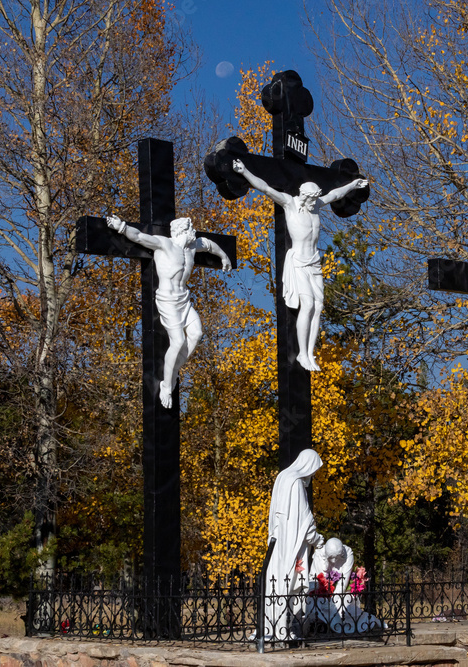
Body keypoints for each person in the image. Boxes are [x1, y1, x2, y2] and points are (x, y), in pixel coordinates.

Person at [232, 158, 367, 371]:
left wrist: (352, 185)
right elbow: (265, 187)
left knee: (319, 306)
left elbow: (335, 195)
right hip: (298, 262)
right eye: (311, 199)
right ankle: (303, 354)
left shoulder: (317, 206)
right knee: (309, 305)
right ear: (303, 196)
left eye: (315, 199)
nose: (314, 203)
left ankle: (310, 354)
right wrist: (245, 171)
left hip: (314, 262)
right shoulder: (290, 204)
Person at [106, 215, 232, 408]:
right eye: (190, 228)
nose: (194, 232)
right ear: (181, 231)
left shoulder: (191, 247)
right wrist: (121, 227)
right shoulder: (165, 244)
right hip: (168, 300)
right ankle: (166, 385)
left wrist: (223, 256)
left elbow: (209, 245)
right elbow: (139, 237)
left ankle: (172, 373)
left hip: (184, 299)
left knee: (197, 334)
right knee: (178, 341)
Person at [263, 449, 325, 639]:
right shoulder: (297, 484)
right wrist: (319, 541)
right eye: (314, 470)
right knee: (288, 585)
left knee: (276, 584)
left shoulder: (283, 477)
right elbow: (306, 523)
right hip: (291, 545)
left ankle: (271, 629)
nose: (313, 475)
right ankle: (282, 631)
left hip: (277, 543)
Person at [308, 537, 384, 634]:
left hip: (341, 592)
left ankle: (359, 623)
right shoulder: (319, 555)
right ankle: (322, 626)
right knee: (315, 603)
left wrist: (332, 601)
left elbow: (344, 580)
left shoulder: (348, 553)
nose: (335, 560)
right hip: (322, 592)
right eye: (331, 557)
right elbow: (318, 578)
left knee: (344, 607)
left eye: (337, 557)